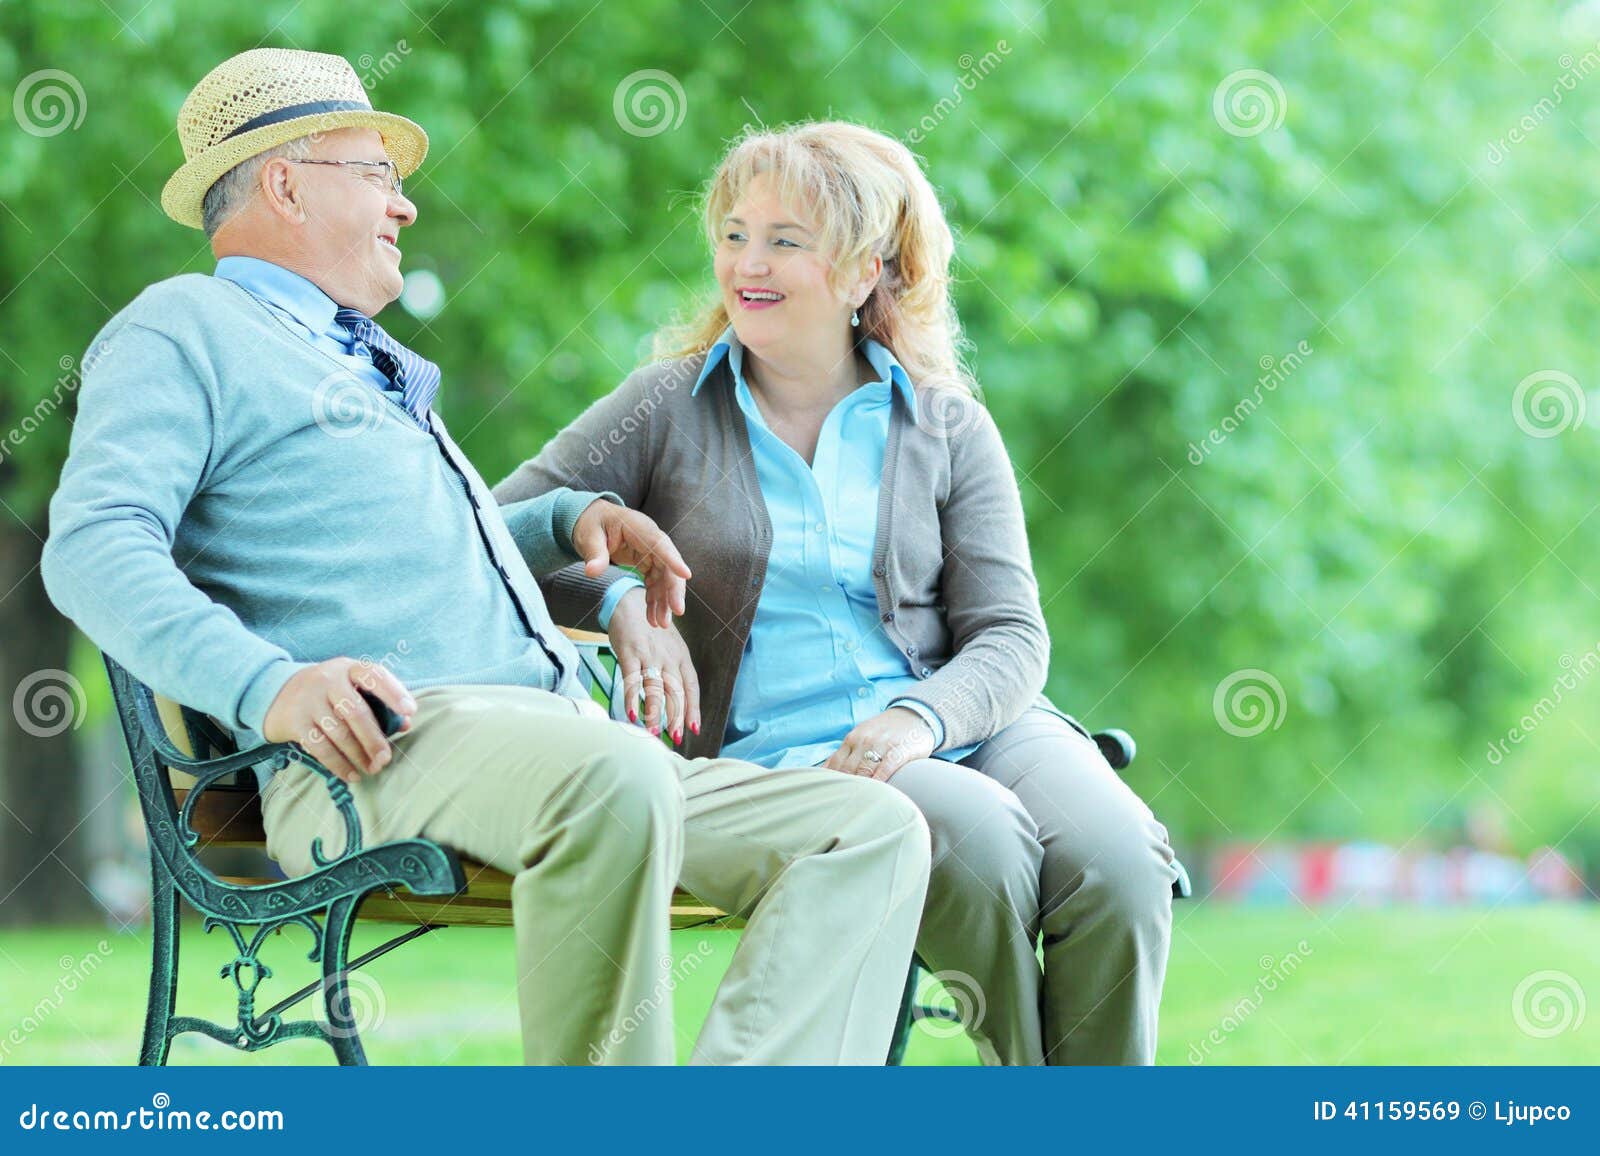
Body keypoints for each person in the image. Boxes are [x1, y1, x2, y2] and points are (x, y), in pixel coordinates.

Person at [41, 54, 930, 1065]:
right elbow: (94, 545)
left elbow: (413, 563)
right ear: (284, 184)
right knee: (618, 775)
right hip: (372, 753)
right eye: (377, 175)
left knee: (869, 828)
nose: (404, 208)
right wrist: (272, 685)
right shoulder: (183, 327)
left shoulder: (357, 361)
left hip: (550, 742)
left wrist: (561, 521)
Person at [495, 121, 1179, 1065]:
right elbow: (496, 536)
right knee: (975, 837)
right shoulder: (666, 404)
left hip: (959, 724)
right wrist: (616, 604)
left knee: (1121, 860)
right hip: (787, 756)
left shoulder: (946, 424)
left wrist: (916, 718)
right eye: (735, 234)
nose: (748, 262)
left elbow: (1011, 636)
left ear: (866, 272)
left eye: (786, 239)